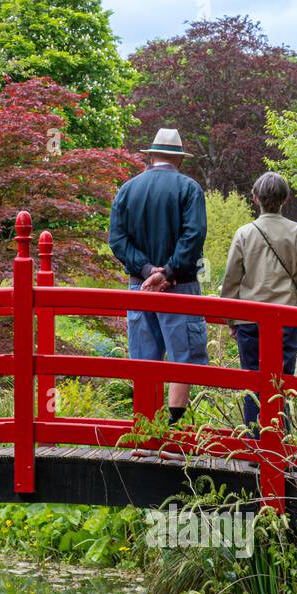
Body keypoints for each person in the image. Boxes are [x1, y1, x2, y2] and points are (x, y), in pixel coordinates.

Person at [108, 128, 209, 425]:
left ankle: (145, 434)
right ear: (179, 159)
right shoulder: (189, 189)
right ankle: (173, 430)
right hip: (181, 287)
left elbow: (117, 239)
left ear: (150, 157)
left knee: (144, 358)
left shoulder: (127, 190)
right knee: (183, 359)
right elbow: (194, 236)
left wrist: (146, 271)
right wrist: (167, 273)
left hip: (140, 287)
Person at [220, 171, 297, 433]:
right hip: (286, 320)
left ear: (255, 198)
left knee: (253, 382)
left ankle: (257, 442)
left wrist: (231, 319)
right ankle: (279, 443)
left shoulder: (244, 234)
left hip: (249, 320)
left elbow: (232, 279)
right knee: (282, 383)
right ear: (285, 199)